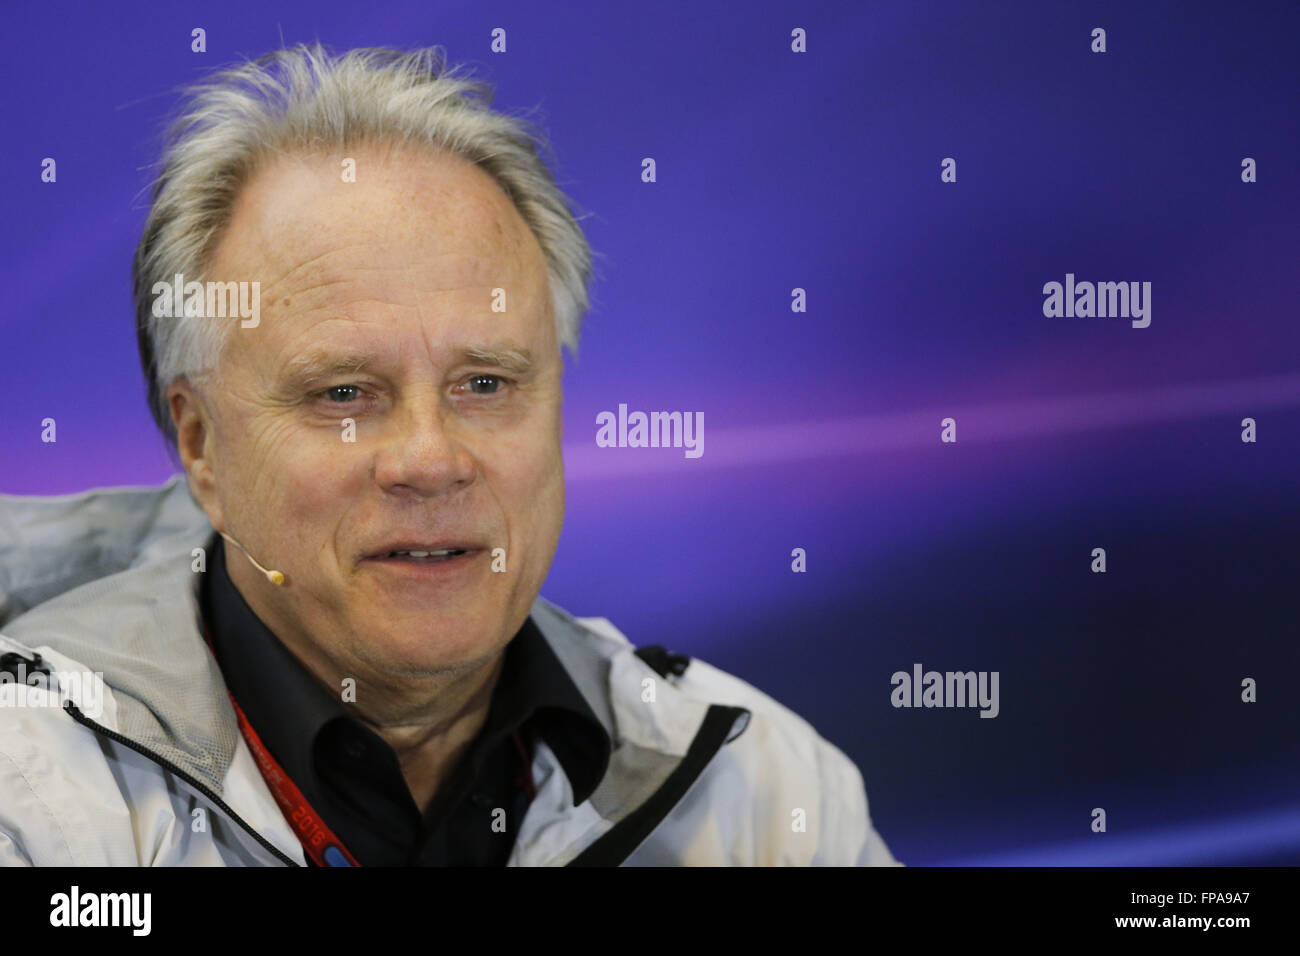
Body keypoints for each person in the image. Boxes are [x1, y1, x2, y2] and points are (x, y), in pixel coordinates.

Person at [0, 43, 898, 866]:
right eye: (344, 393)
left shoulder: (762, 795)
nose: (431, 461)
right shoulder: (33, 798)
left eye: (485, 384)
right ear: (200, 445)